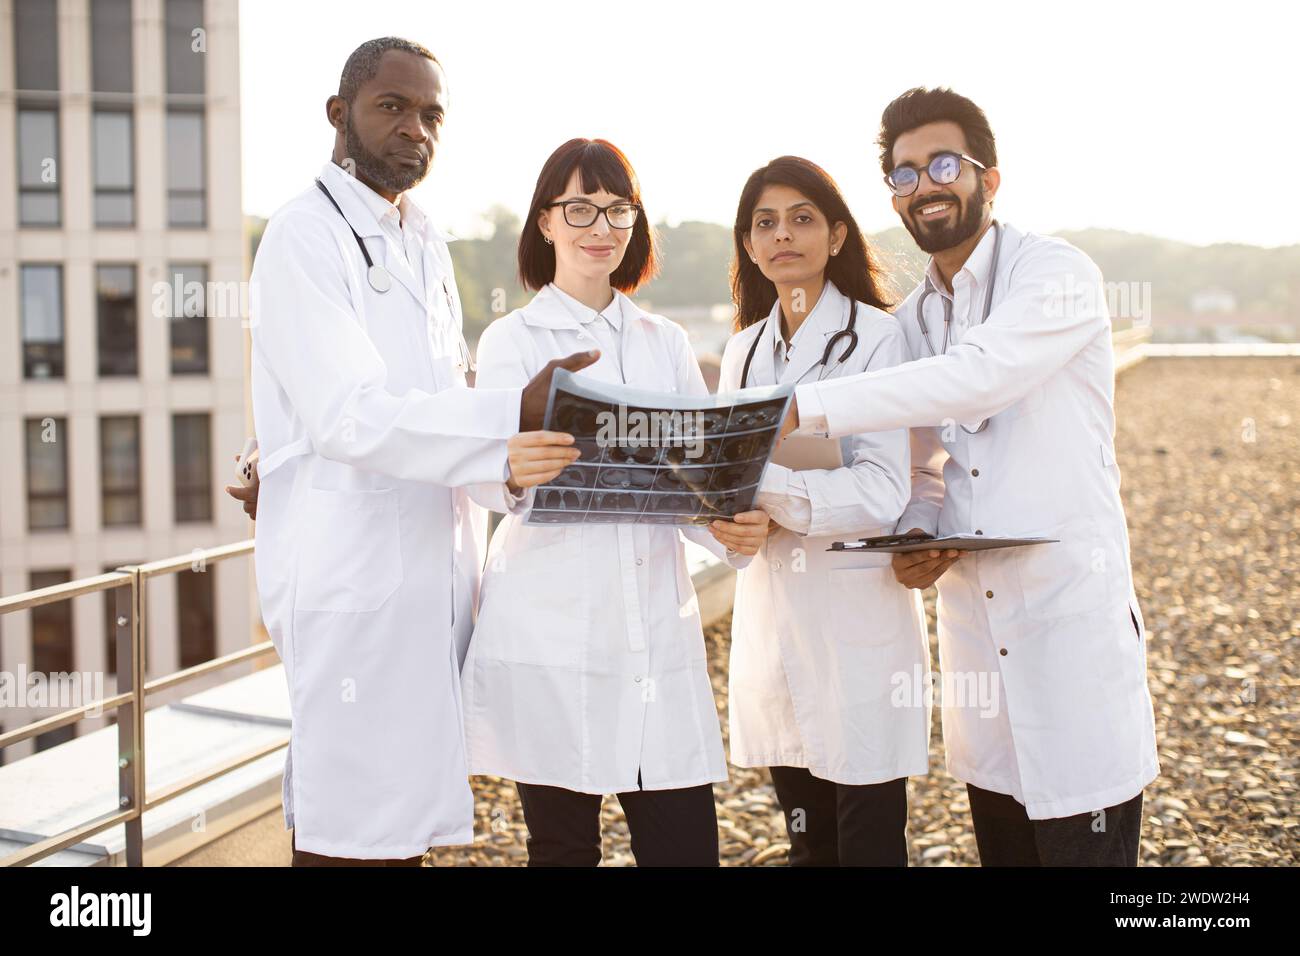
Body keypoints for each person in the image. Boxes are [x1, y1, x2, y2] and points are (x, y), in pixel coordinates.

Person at [778, 87, 1158, 866]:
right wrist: (918, 531)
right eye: (905, 174)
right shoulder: (915, 315)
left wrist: (803, 407)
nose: (926, 186)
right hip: (979, 640)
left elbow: (977, 379)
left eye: (943, 164)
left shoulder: (1054, 272)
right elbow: (926, 466)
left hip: (1067, 624)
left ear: (990, 177)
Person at [243, 37, 591, 866]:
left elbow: (438, 390)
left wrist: (509, 438)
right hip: (352, 577)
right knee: (350, 824)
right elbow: (348, 415)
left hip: (432, 568)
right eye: (391, 107)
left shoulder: (425, 239)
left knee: (408, 822)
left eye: (431, 114)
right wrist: (516, 410)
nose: (414, 129)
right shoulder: (301, 236)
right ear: (340, 115)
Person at [461, 138, 770, 866]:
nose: (600, 226)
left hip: (654, 629)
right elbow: (482, 480)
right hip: (552, 628)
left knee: (684, 847)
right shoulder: (511, 340)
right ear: (545, 222)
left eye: (617, 209)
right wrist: (518, 468)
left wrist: (733, 529)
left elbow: (703, 480)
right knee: (563, 848)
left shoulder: (664, 342)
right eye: (579, 208)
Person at [718, 156, 930, 866]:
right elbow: (726, 485)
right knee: (807, 845)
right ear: (749, 245)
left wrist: (770, 495)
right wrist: (730, 521)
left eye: (803, 218)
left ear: (837, 235)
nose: (785, 235)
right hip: (777, 618)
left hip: (855, 623)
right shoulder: (743, 350)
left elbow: (882, 490)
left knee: (868, 845)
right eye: (766, 223)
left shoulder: (879, 339)